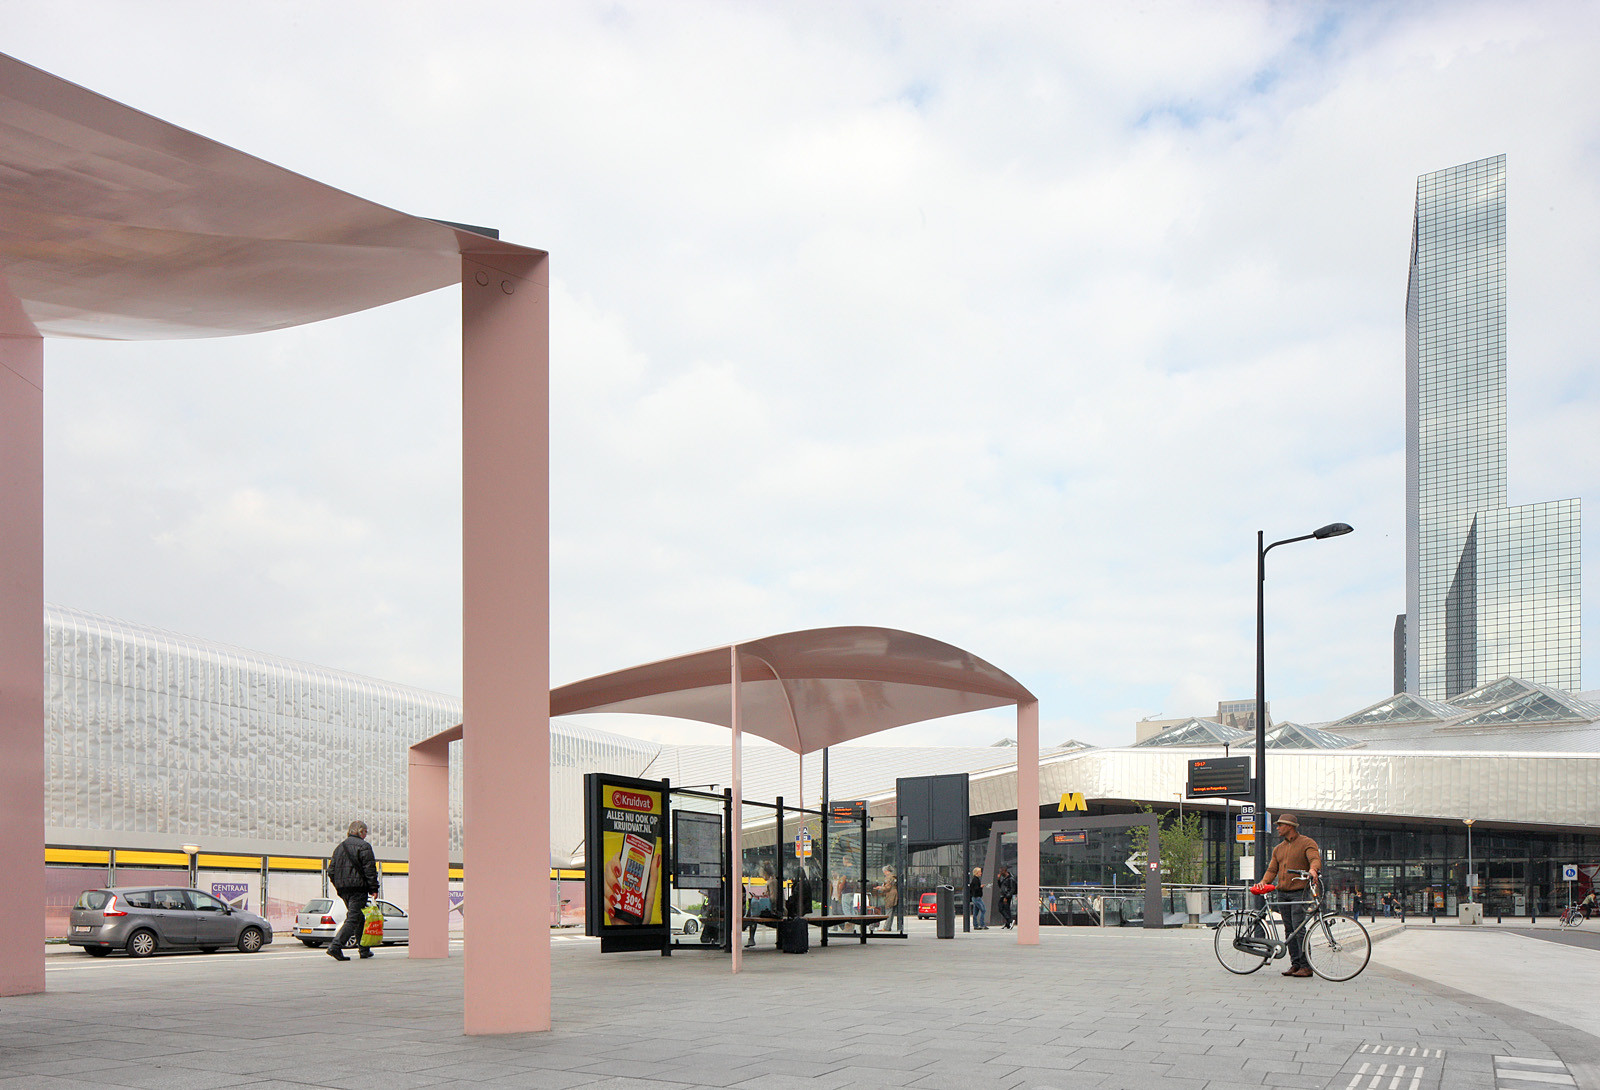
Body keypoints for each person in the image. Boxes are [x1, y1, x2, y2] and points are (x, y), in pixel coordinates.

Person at [1255, 814, 1321, 979]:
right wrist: (1263, 882)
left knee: (1299, 930)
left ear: (1290, 826)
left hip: (1300, 892)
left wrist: (1313, 870)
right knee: (1289, 930)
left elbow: (1314, 859)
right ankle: (1296, 964)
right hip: (1282, 893)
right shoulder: (1279, 848)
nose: (1277, 828)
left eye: (1280, 825)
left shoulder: (1307, 842)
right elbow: (1272, 870)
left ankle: (1306, 966)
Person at [327, 819, 380, 961]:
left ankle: (364, 949)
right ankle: (336, 946)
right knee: (353, 918)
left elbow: (330, 871)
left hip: (344, 890)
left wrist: (339, 884)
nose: (366, 835)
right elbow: (369, 869)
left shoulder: (339, 848)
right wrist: (373, 888)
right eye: (365, 832)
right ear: (361, 832)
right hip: (358, 888)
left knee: (359, 917)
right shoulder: (364, 846)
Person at [873, 865, 901, 933]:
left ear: (887, 871)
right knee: (891, 911)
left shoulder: (889, 878)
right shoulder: (894, 877)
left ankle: (886, 927)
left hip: (890, 895)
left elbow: (887, 888)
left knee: (889, 911)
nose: (884, 873)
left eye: (884, 871)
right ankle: (888, 926)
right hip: (894, 894)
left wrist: (880, 888)